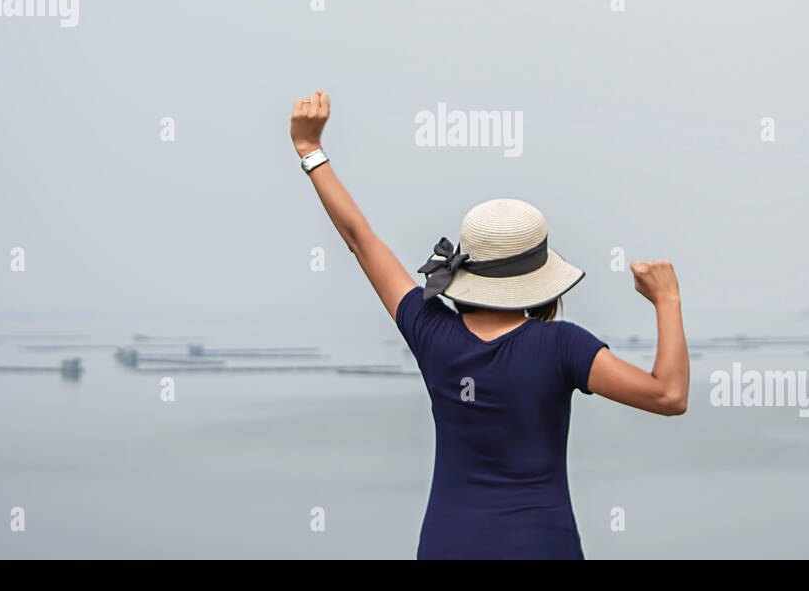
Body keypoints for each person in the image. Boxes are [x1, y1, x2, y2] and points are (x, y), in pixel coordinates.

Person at [291, 90, 689, 559]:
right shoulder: (562, 348)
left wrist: (309, 149)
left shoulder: (431, 332)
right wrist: (667, 298)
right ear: (539, 278)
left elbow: (361, 239)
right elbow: (669, 395)